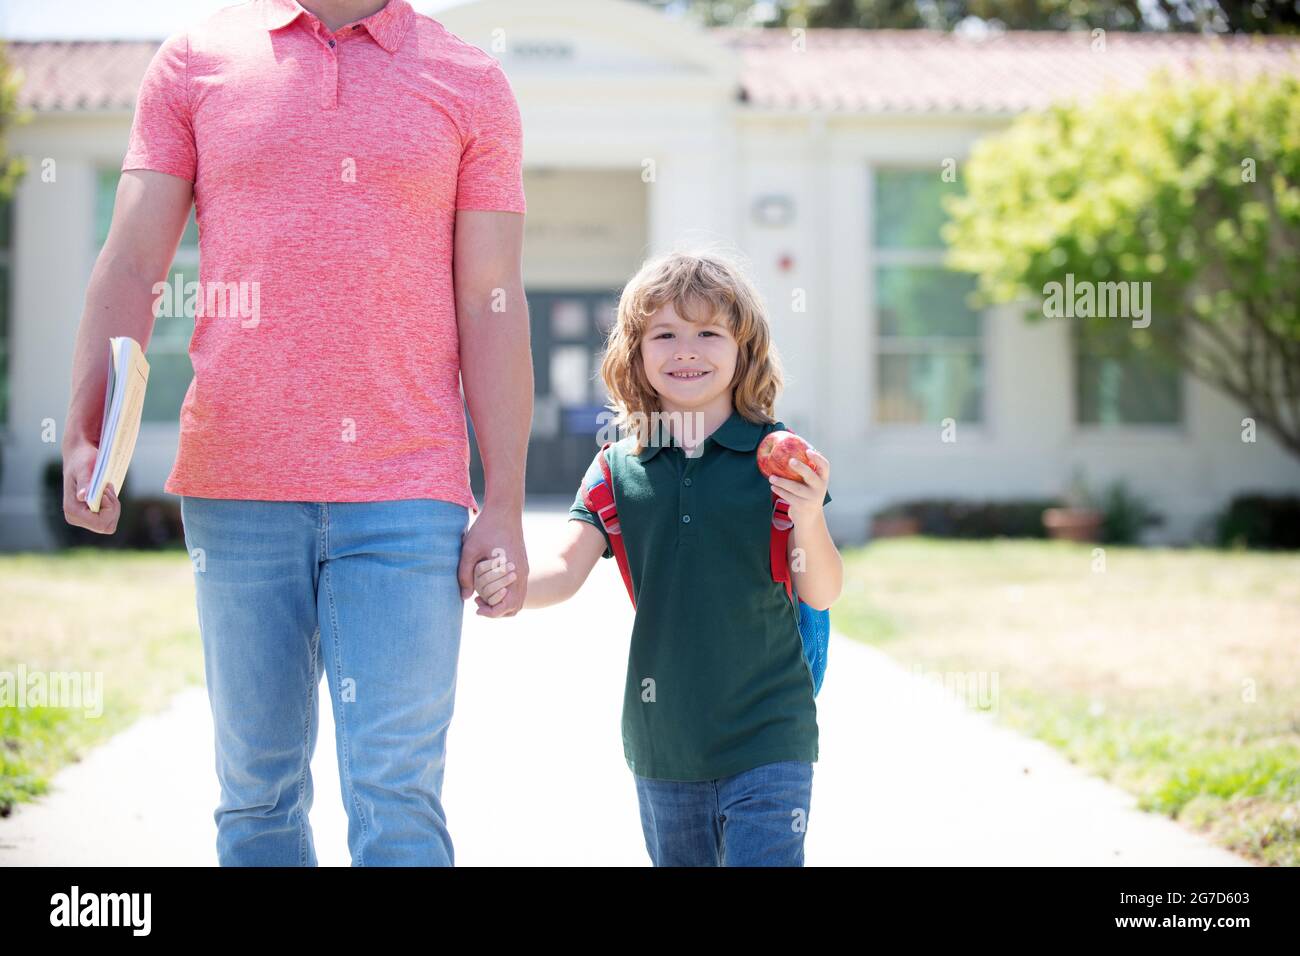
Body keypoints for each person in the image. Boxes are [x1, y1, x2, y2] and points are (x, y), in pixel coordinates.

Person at [60, 0, 533, 866]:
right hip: (237, 486)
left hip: (407, 490)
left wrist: (502, 501)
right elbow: (132, 260)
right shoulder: (196, 61)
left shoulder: (470, 79)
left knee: (396, 792)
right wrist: (87, 432)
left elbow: (492, 298)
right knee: (257, 794)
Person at [472, 250, 842, 866]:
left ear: (743, 349)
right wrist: (510, 586)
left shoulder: (779, 461)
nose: (686, 349)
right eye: (664, 334)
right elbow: (564, 569)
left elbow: (823, 590)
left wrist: (807, 514)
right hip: (662, 742)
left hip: (772, 733)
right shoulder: (617, 468)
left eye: (708, 333)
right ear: (635, 354)